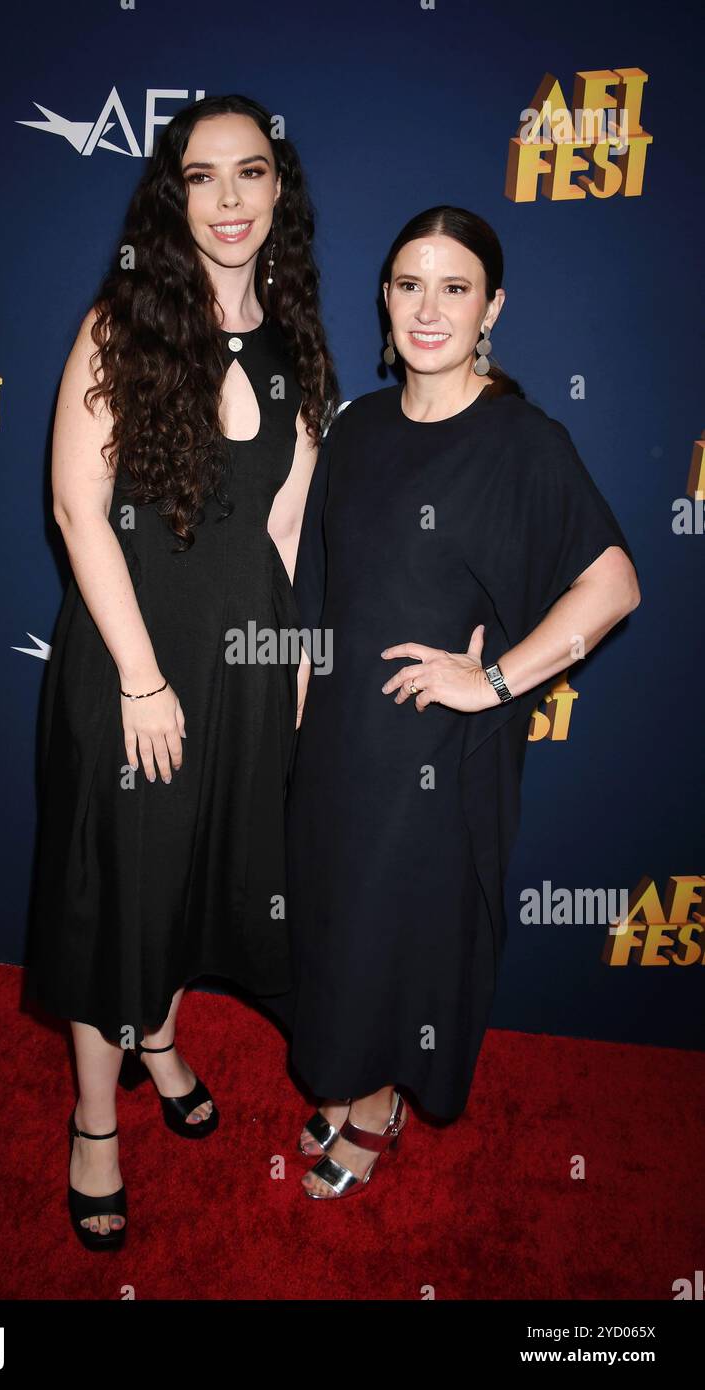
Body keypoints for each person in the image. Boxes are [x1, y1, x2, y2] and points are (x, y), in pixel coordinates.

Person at [262, 205, 641, 1200]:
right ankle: (342, 1075)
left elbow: (612, 586)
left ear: (492, 307)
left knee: (400, 924)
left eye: (455, 286)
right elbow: (318, 586)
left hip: (434, 749)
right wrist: (299, 708)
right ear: (385, 301)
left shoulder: (524, 440)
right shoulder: (359, 429)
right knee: (334, 913)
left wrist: (496, 678)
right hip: (339, 735)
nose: (429, 308)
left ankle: (382, 1096)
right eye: (408, 284)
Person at [23, 93, 339, 1247]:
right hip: (131, 660)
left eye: (248, 173)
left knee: (201, 872)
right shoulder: (125, 322)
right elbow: (76, 506)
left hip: (244, 663)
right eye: (200, 178)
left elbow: (292, 532)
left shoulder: (301, 343)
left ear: (277, 191)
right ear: (173, 197)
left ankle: (159, 1038)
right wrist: (143, 679)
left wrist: (295, 659)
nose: (227, 200)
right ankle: (94, 1116)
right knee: (121, 884)